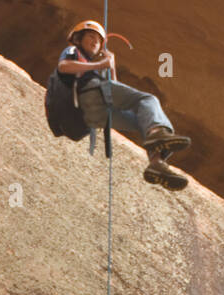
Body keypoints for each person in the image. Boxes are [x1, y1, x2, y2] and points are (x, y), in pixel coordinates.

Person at [56, 20, 190, 189]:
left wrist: (111, 67)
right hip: (84, 95)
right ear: (78, 39)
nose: (95, 42)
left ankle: (157, 163)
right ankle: (157, 132)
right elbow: (64, 66)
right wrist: (100, 64)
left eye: (98, 40)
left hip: (93, 114)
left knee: (144, 120)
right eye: (91, 37)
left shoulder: (94, 65)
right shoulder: (73, 51)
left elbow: (114, 95)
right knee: (148, 101)